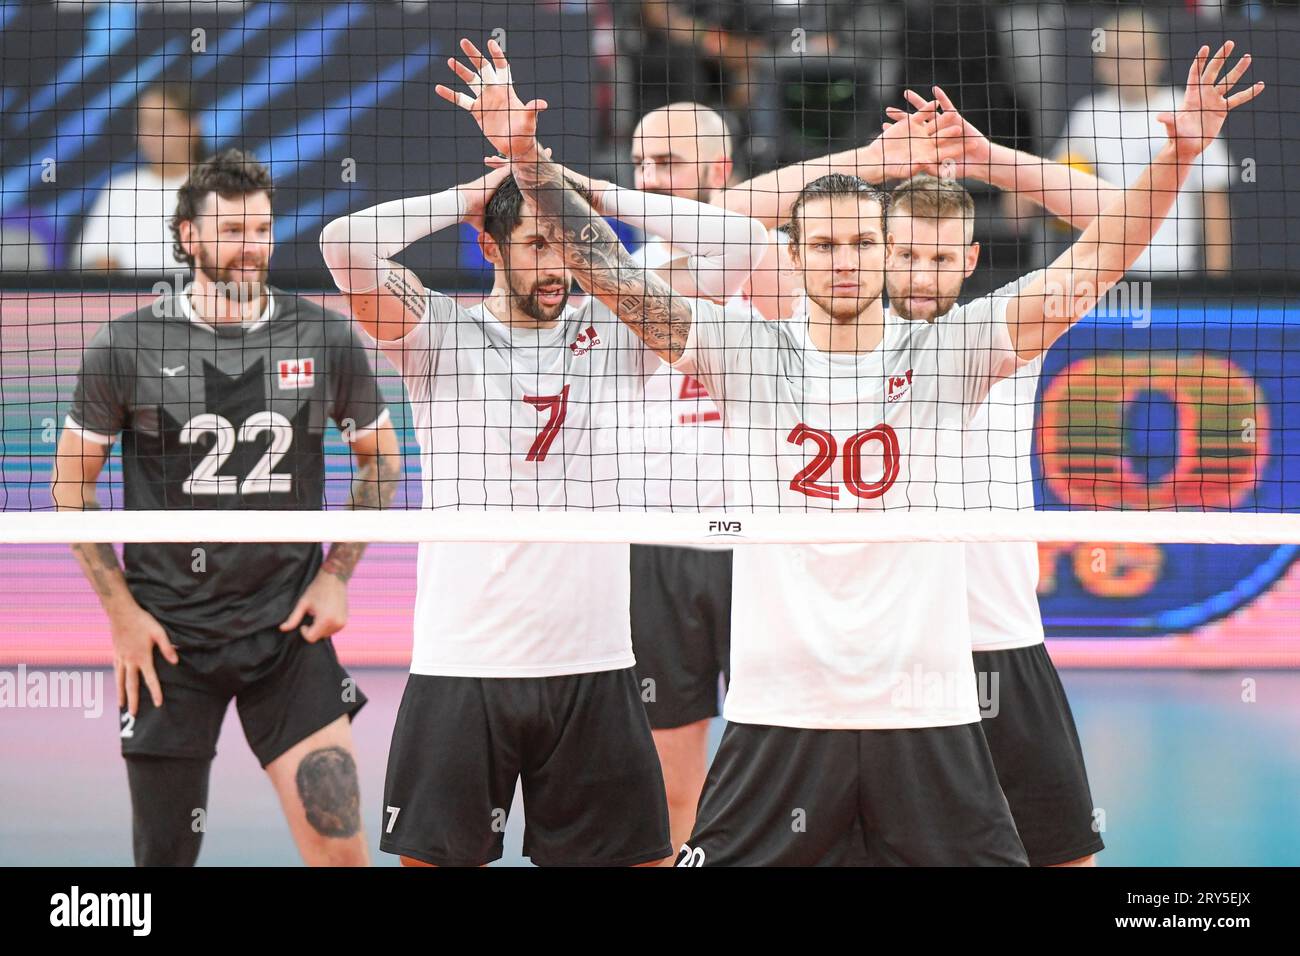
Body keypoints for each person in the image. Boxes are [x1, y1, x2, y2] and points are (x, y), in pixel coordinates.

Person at [486, 38, 1260, 863]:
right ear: (791, 255)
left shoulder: (954, 349)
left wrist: (1179, 153)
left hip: (924, 708)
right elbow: (605, 270)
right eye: (823, 244)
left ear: (880, 252)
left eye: (858, 243)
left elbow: (1102, 257)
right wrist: (529, 161)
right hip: (783, 710)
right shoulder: (741, 348)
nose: (845, 261)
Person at [318, 39, 766, 867]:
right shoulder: (437, 335)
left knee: (645, 856)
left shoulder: (616, 331)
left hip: (593, 660)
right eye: (535, 245)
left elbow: (741, 249)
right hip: (464, 659)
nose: (558, 265)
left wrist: (576, 190)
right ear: (490, 249)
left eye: (566, 246)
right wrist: (474, 193)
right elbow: (343, 247)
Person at [51, 147, 397, 866]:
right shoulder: (125, 344)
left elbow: (382, 460)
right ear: (188, 236)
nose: (252, 250)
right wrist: (120, 612)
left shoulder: (323, 336)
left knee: (342, 853)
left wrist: (337, 574)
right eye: (234, 232)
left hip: (287, 634)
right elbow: (68, 486)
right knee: (163, 861)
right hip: (167, 640)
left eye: (263, 231)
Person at [1052, 10, 1236, 277]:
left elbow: (1213, 199)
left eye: (1135, 53)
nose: (1126, 64)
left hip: (1175, 273)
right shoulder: (1088, 115)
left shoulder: (1187, 110)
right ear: (1100, 64)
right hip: (1106, 276)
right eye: (1114, 56)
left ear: (1157, 58)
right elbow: (1056, 182)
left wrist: (1218, 282)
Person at [76, 84, 206, 276]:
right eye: (143, 124)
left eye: (161, 125)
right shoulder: (120, 191)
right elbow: (98, 263)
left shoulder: (220, 190)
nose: (149, 135)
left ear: (192, 126)